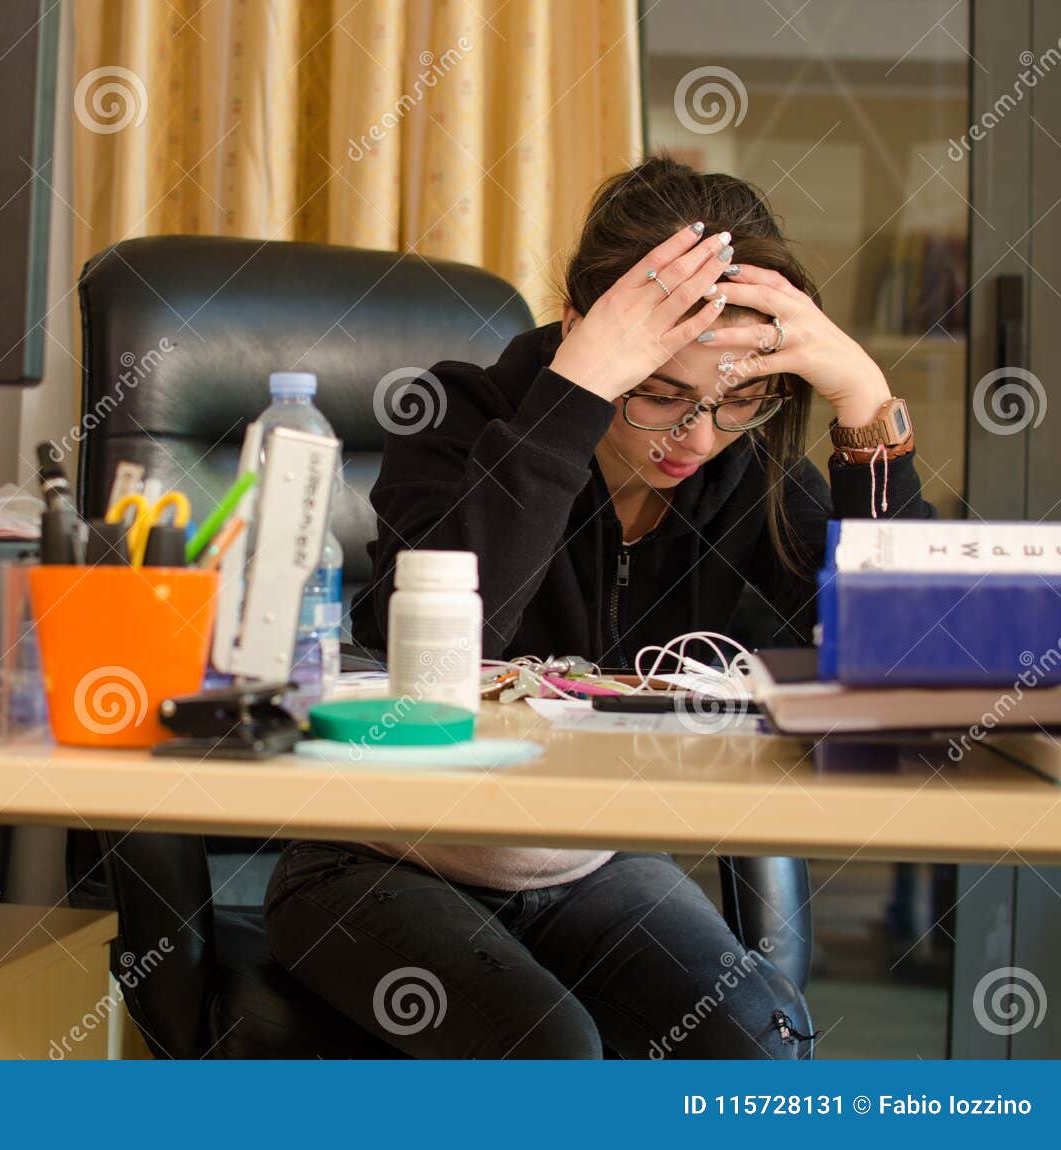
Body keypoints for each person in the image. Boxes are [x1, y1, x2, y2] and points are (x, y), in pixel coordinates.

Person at [264, 155, 934, 1058]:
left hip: (590, 864)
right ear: (587, 331)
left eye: (736, 400)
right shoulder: (459, 415)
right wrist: (572, 397)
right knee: (552, 1052)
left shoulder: (747, 478)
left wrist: (862, 399)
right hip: (382, 858)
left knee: (755, 1045)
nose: (695, 437)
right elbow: (429, 647)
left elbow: (906, 663)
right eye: (658, 394)